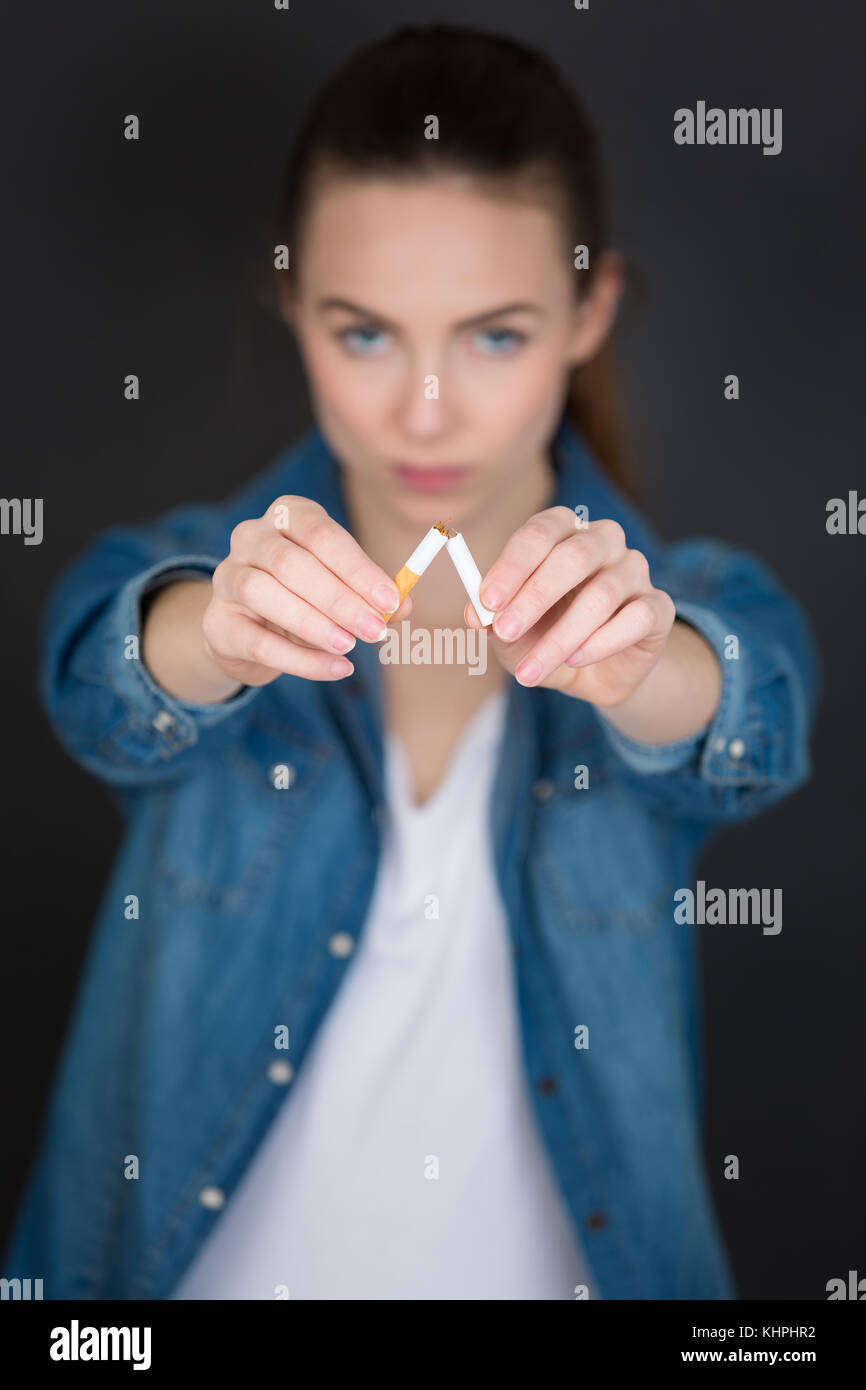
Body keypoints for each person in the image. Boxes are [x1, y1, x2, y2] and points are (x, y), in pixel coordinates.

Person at [3, 23, 819, 1300]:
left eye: (493, 336)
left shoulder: (695, 600)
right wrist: (214, 632)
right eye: (365, 335)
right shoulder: (178, 571)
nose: (424, 411)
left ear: (589, 309)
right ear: (292, 305)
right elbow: (101, 680)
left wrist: (642, 662)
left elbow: (747, 714)